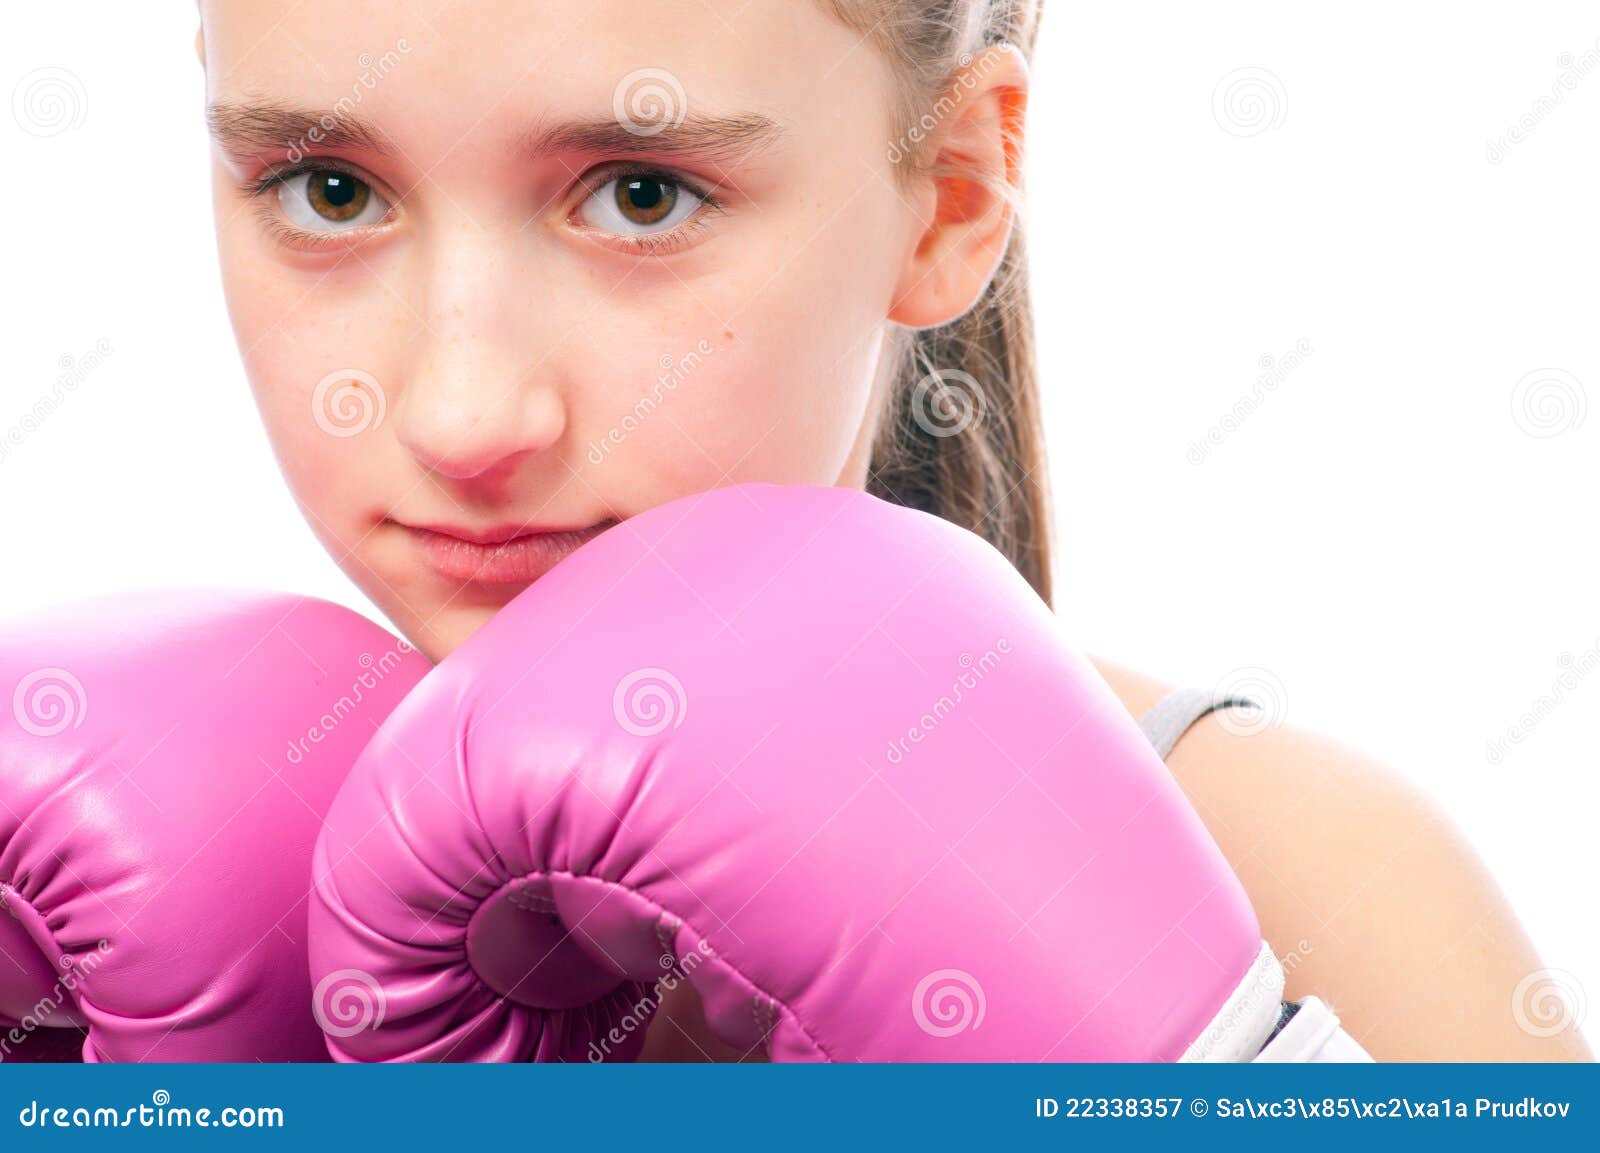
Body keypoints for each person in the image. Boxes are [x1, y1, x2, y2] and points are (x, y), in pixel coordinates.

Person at [194, 0, 1590, 1061]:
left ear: (954, 193)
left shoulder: (1313, 877)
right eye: (329, 187)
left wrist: (1222, 1080)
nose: (460, 415)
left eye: (640, 192)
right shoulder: (154, 900)